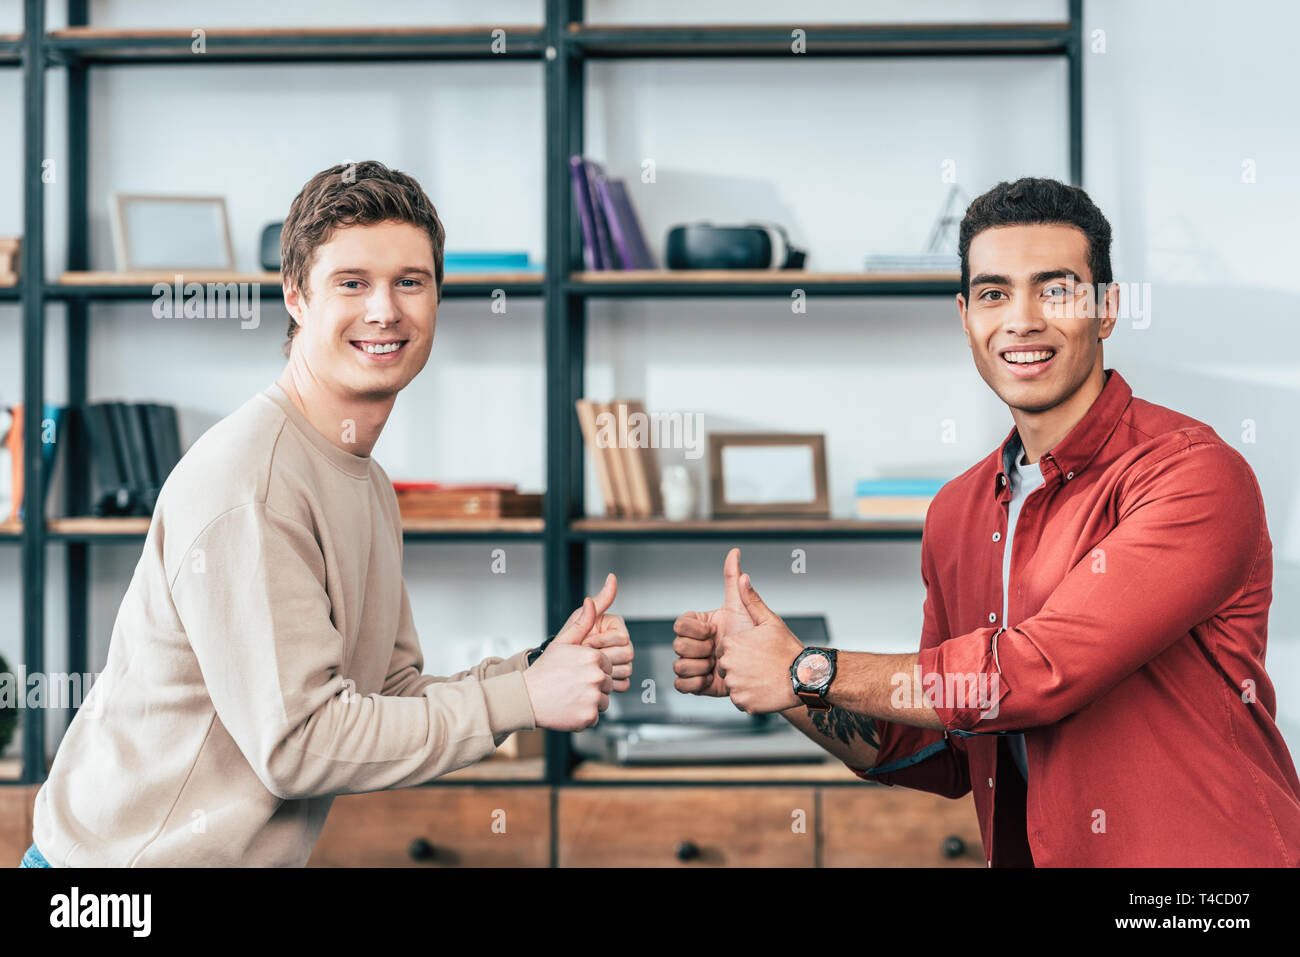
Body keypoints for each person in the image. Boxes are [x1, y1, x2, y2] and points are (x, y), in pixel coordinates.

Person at [672, 177, 1300, 867]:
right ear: (966, 315)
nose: (1022, 319)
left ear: (1107, 309)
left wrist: (807, 669)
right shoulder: (958, 509)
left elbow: (1035, 674)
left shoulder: (1192, 474)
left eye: (1055, 289)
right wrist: (775, 676)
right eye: (996, 293)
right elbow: (939, 748)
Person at [24, 160, 631, 867]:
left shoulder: (363, 478)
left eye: (411, 281)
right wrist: (524, 699)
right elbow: (300, 743)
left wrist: (534, 669)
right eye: (352, 282)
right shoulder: (254, 481)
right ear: (296, 299)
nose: (385, 310)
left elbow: (387, 695)